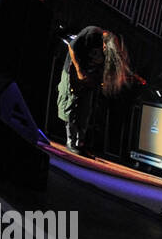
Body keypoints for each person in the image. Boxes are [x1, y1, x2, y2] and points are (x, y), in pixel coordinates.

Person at [56, 26, 136, 154]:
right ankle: (70, 140)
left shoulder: (110, 50)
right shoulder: (91, 33)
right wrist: (78, 70)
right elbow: (71, 47)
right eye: (105, 49)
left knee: (85, 109)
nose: (104, 51)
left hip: (89, 76)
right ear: (104, 43)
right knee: (70, 104)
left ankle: (79, 142)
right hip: (73, 71)